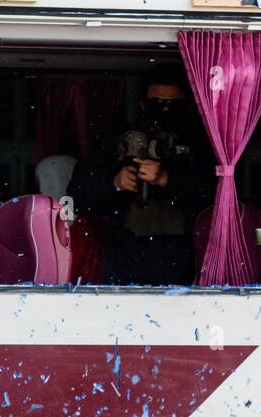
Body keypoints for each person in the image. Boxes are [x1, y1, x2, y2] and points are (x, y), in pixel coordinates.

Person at [66, 64, 215, 285]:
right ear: (143, 105)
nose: (165, 111)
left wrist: (167, 179)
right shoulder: (117, 139)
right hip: (119, 247)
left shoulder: (201, 143)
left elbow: (216, 193)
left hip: (179, 250)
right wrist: (114, 181)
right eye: (157, 104)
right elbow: (77, 194)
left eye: (174, 105)